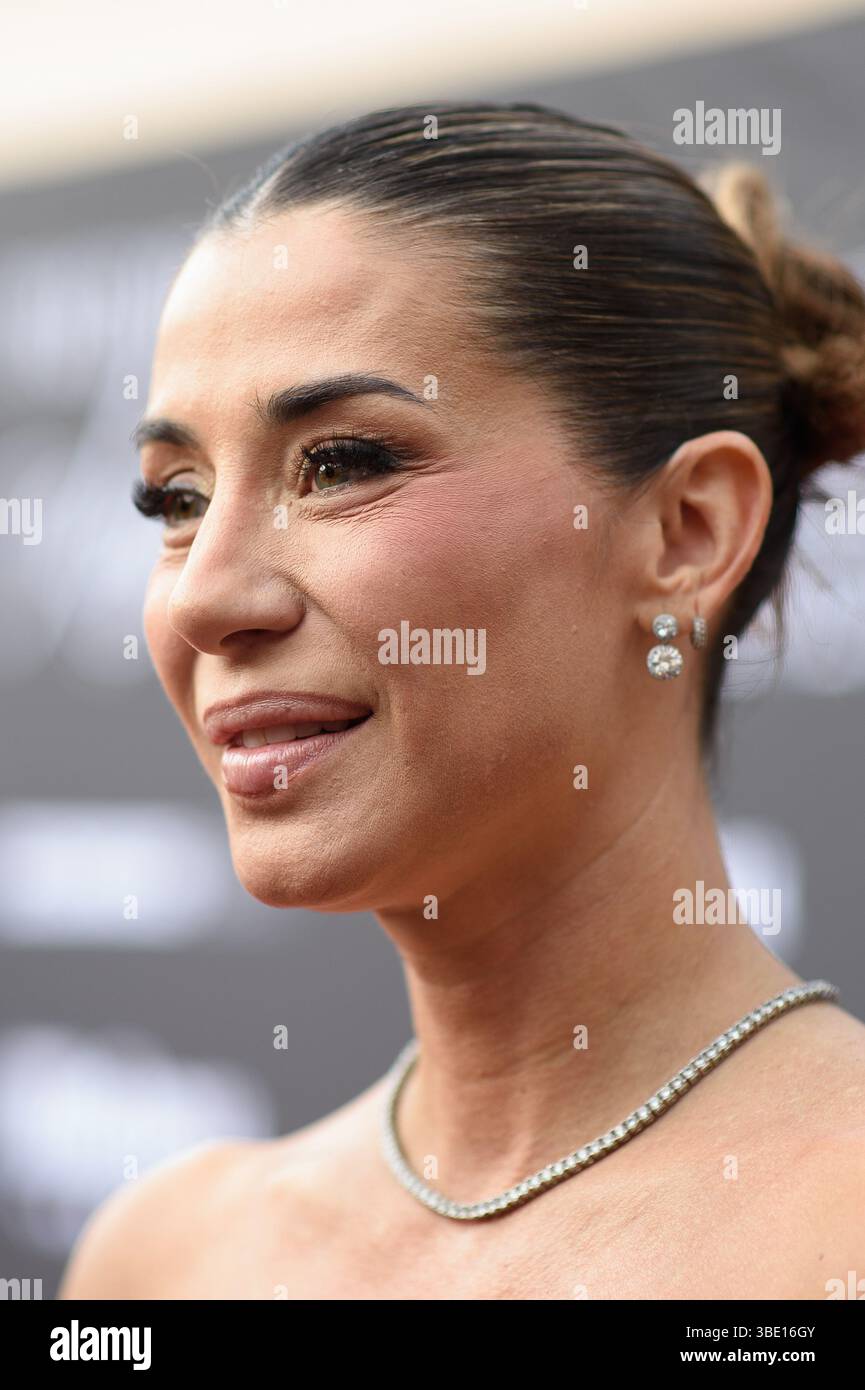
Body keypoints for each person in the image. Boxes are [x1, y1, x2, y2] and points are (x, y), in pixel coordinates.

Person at [60, 102, 865, 1300]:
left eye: (341, 462)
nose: (203, 597)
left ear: (688, 531)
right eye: (173, 498)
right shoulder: (159, 1263)